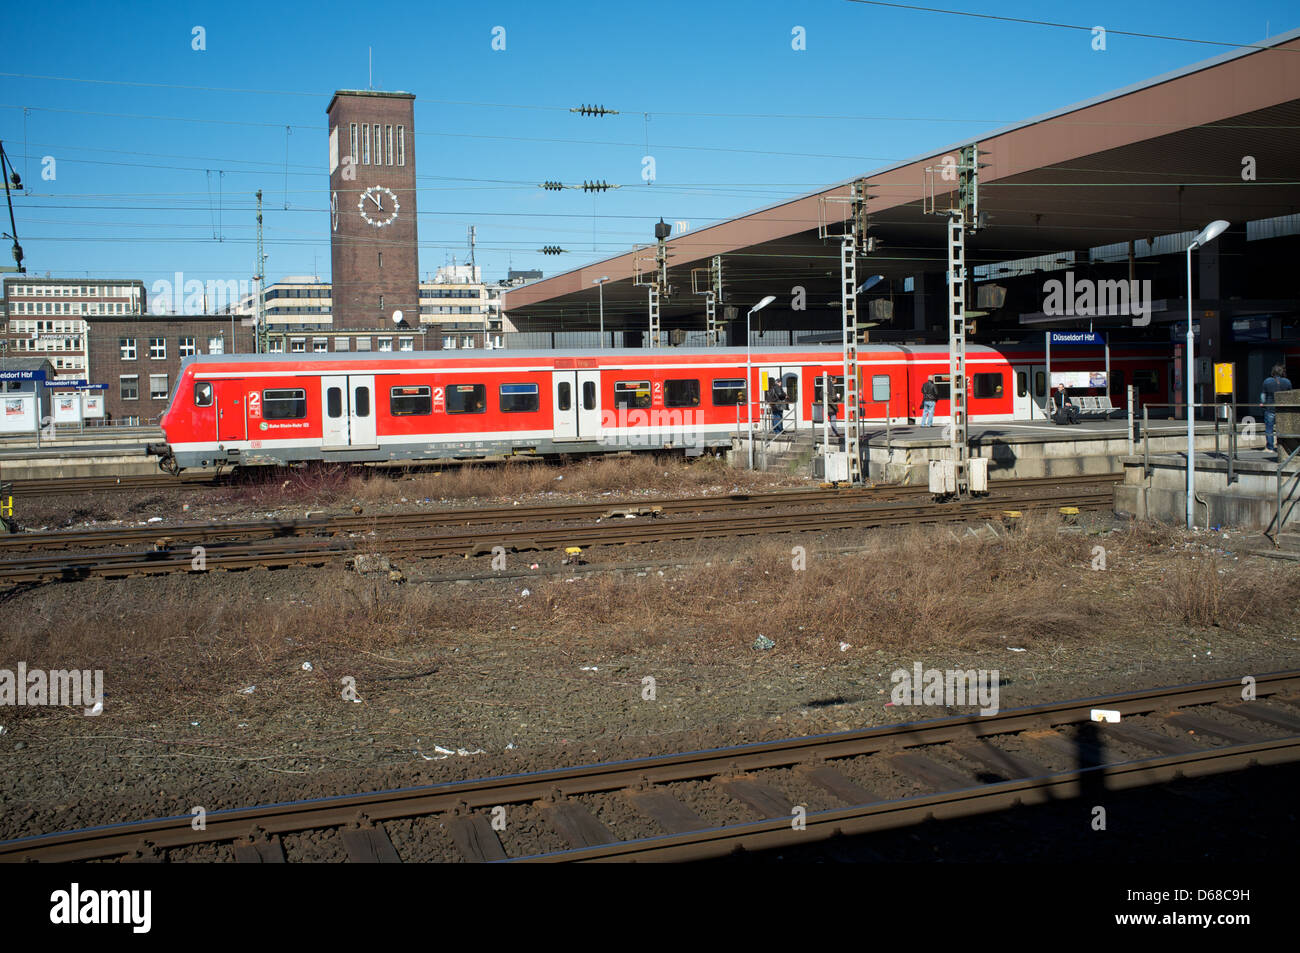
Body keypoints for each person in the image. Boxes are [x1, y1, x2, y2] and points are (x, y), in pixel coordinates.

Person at [1261, 363, 1293, 452]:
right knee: (1283, 428)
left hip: (1270, 407)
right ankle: (1283, 446)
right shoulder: (1287, 381)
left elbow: (1263, 395)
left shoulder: (1267, 381)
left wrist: (1263, 404)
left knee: (1269, 428)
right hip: (1282, 408)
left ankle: (1270, 447)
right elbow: (1289, 395)